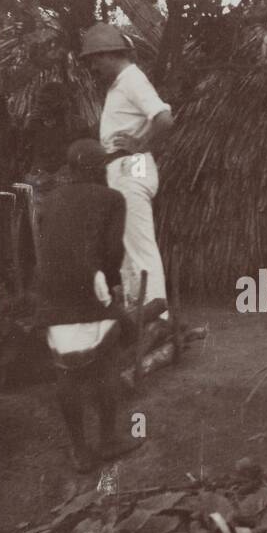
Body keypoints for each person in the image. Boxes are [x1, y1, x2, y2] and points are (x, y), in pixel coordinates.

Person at [33, 138, 143, 472]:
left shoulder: (48, 201)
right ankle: (108, 441)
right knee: (107, 363)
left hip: (52, 293)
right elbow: (112, 252)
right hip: (89, 288)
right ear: (98, 168)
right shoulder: (112, 199)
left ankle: (80, 450)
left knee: (65, 370)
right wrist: (106, 286)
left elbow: (39, 247)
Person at [80, 23, 173, 315]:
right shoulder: (120, 84)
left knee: (139, 245)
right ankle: (140, 312)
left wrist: (140, 144)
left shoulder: (132, 79)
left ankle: (157, 314)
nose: (93, 67)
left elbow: (164, 117)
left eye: (95, 59)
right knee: (128, 251)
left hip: (131, 166)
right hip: (121, 168)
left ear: (110, 54)